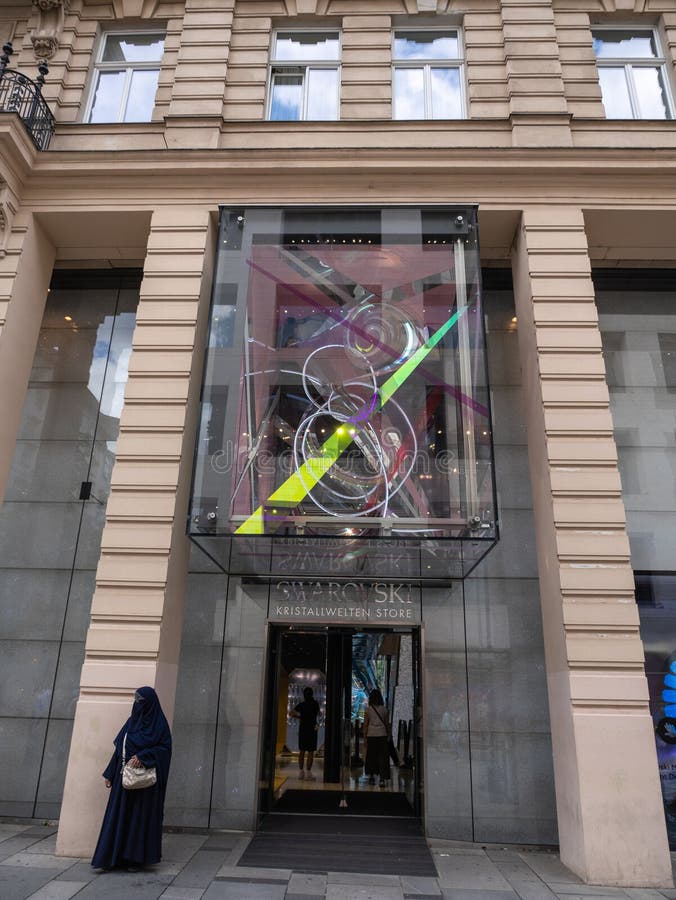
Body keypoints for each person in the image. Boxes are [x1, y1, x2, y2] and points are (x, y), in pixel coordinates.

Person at [92, 686, 172, 871]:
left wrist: (144, 757)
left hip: (144, 784)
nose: (137, 704)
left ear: (150, 703)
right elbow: (120, 749)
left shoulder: (159, 725)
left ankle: (135, 859)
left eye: (141, 701)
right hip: (124, 780)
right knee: (119, 817)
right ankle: (113, 858)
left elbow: (165, 750)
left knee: (138, 819)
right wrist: (110, 774)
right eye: (136, 700)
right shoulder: (131, 723)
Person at [291, 686, 320, 780]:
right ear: (312, 694)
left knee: (302, 751)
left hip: (303, 728)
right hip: (312, 729)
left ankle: (301, 772)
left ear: (304, 695)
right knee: (311, 751)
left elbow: (291, 713)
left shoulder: (302, 705)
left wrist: (300, 717)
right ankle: (308, 772)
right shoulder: (315, 704)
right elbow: (319, 714)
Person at [363, 688, 390, 788]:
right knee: (382, 757)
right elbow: (387, 724)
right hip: (382, 734)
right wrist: (389, 735)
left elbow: (365, 725)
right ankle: (382, 779)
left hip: (371, 735)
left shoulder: (368, 710)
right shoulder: (384, 709)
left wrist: (365, 737)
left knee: (371, 756)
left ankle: (371, 777)